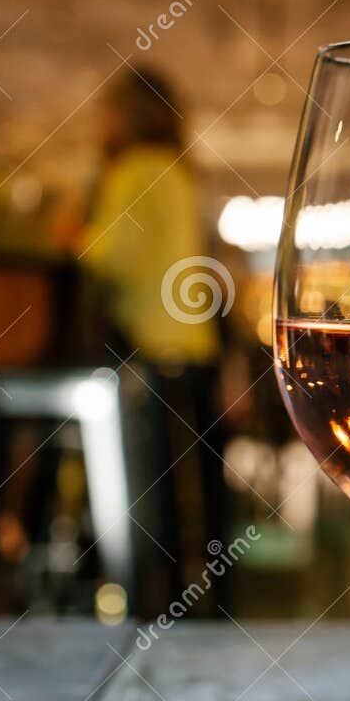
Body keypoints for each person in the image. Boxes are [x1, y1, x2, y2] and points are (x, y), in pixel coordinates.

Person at [76, 68, 228, 616]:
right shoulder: (179, 172)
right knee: (205, 489)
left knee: (156, 492)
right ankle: (216, 602)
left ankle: (158, 605)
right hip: (195, 345)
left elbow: (106, 258)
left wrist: (75, 235)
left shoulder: (133, 170)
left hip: (151, 349)